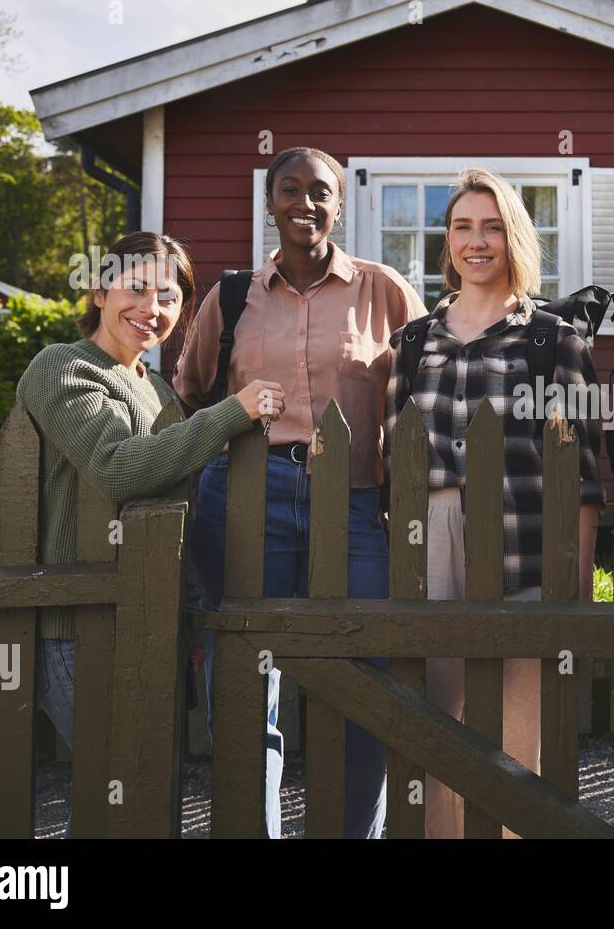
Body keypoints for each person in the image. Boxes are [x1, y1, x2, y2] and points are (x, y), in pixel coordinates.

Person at [175, 146, 426, 839]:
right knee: (248, 681)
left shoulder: (385, 290)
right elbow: (187, 398)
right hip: (245, 502)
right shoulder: (231, 298)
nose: (306, 204)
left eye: (321, 192)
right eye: (291, 190)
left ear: (340, 205)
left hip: (355, 502)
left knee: (368, 671)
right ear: (270, 202)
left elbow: (427, 386)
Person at [383, 167, 603, 839]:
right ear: (446, 242)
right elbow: (394, 464)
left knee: (514, 750)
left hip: (524, 546)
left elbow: (585, 478)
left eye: (492, 227)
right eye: (461, 227)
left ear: (515, 237)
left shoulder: (554, 341)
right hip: (430, 551)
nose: (476, 242)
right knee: (436, 735)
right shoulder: (412, 342)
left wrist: (575, 591)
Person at [17, 232, 282, 787]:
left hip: (148, 619)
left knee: (142, 791)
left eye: (168, 297)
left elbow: (174, 504)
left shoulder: (157, 389)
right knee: (122, 785)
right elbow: (119, 469)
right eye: (135, 289)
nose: (151, 309)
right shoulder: (64, 367)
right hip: (75, 625)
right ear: (98, 290)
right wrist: (230, 414)